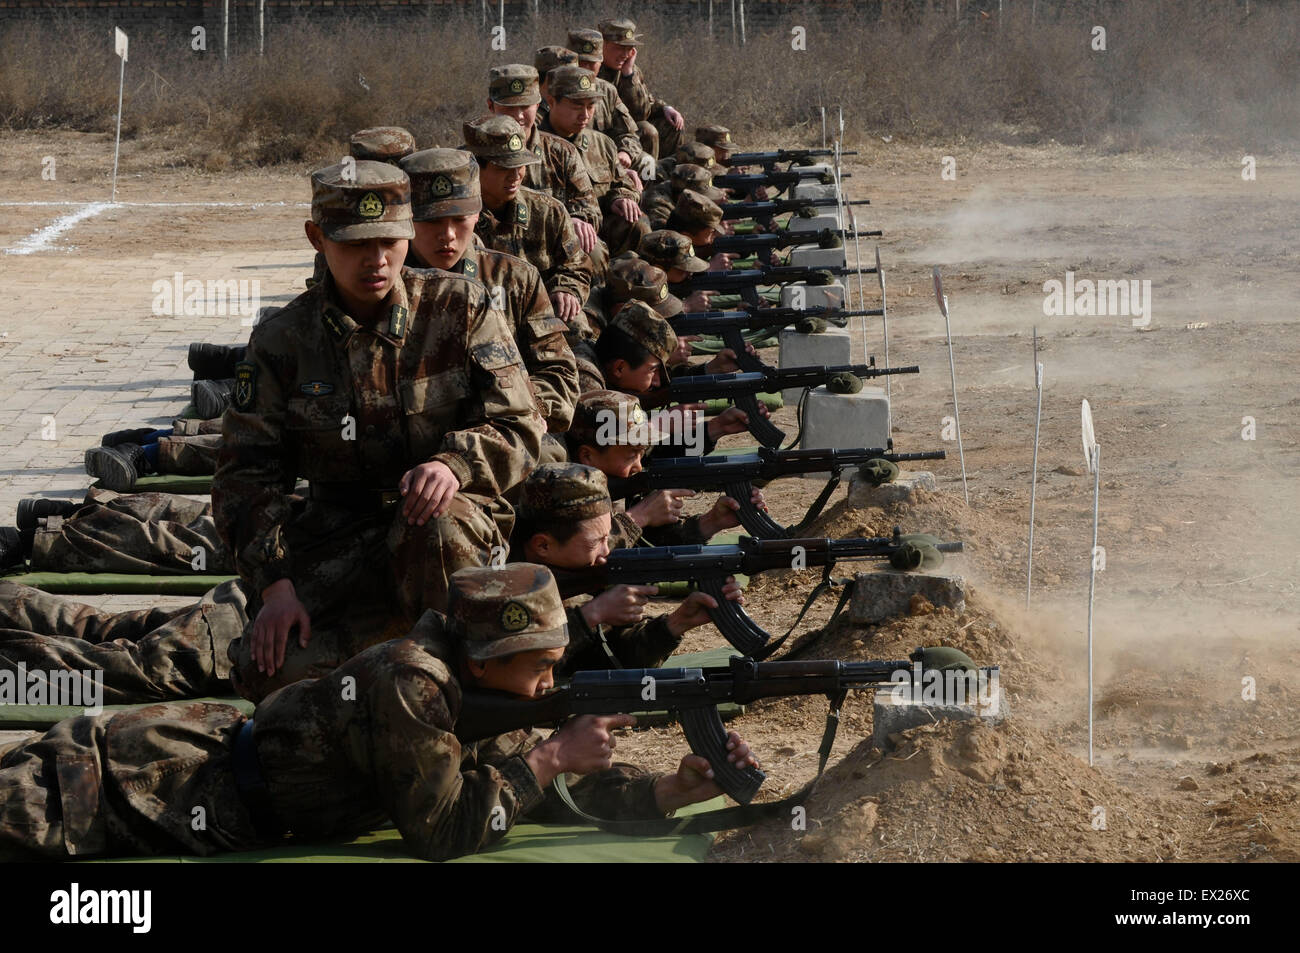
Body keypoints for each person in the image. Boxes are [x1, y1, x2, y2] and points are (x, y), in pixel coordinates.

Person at [0, 563, 757, 862]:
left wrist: (670, 790)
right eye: (543, 664)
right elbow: (446, 830)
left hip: (197, 762)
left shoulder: (468, 683)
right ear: (486, 661)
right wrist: (551, 754)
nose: (552, 678)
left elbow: (513, 783)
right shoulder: (412, 685)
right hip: (148, 782)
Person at [213, 160, 542, 702]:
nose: (377, 259)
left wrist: (453, 464)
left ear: (409, 232)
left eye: (390, 240)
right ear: (317, 238)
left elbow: (520, 424)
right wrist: (274, 586)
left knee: (439, 522)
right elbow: (245, 474)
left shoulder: (458, 307)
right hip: (337, 538)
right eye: (355, 244)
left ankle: (462, 692)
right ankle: (401, 664)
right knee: (267, 670)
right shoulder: (282, 340)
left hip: (445, 538)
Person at [400, 144, 579, 439]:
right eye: (431, 220)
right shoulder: (381, 288)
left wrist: (529, 408)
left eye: (459, 219)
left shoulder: (515, 279)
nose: (447, 235)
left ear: (477, 212)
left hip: (503, 436)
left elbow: (559, 373)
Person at [509, 464, 744, 673]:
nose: (607, 551)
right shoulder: (497, 580)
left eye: (607, 536)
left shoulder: (575, 563)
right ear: (542, 545)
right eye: (596, 542)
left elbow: (603, 661)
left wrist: (677, 623)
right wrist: (591, 615)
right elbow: (517, 669)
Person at [462, 114, 593, 328]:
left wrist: (566, 289)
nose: (515, 176)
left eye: (520, 165)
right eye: (504, 168)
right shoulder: (459, 221)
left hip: (540, 317)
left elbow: (577, 264)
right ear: (476, 168)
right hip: (480, 322)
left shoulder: (548, 211)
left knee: (578, 330)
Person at [486, 64, 602, 255]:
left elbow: (589, 207)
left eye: (525, 107)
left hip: (550, 246)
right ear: (491, 106)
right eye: (509, 107)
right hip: (495, 252)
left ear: (538, 105)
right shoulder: (474, 158)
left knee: (593, 249)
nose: (518, 116)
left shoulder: (562, 152)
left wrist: (577, 220)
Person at [538, 65, 648, 261]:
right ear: (552, 101)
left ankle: (629, 283)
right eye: (577, 106)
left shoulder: (602, 143)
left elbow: (622, 184)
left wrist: (620, 197)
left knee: (638, 225)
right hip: (555, 234)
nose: (585, 114)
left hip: (600, 225)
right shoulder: (535, 146)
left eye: (590, 106)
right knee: (591, 249)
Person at [566, 28, 653, 180]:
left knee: (648, 163)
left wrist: (625, 152)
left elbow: (629, 133)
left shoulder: (607, 90)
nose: (586, 67)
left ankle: (645, 201)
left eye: (592, 62)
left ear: (600, 62)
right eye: (581, 62)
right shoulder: (556, 90)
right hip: (573, 159)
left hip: (606, 157)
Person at [595, 17, 685, 160]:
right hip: (605, 131)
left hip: (625, 129)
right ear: (602, 45)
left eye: (629, 49)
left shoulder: (629, 69)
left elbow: (642, 110)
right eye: (619, 48)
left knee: (672, 124)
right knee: (646, 130)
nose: (625, 55)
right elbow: (638, 118)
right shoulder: (591, 69)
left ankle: (668, 176)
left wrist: (664, 107)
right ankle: (647, 178)